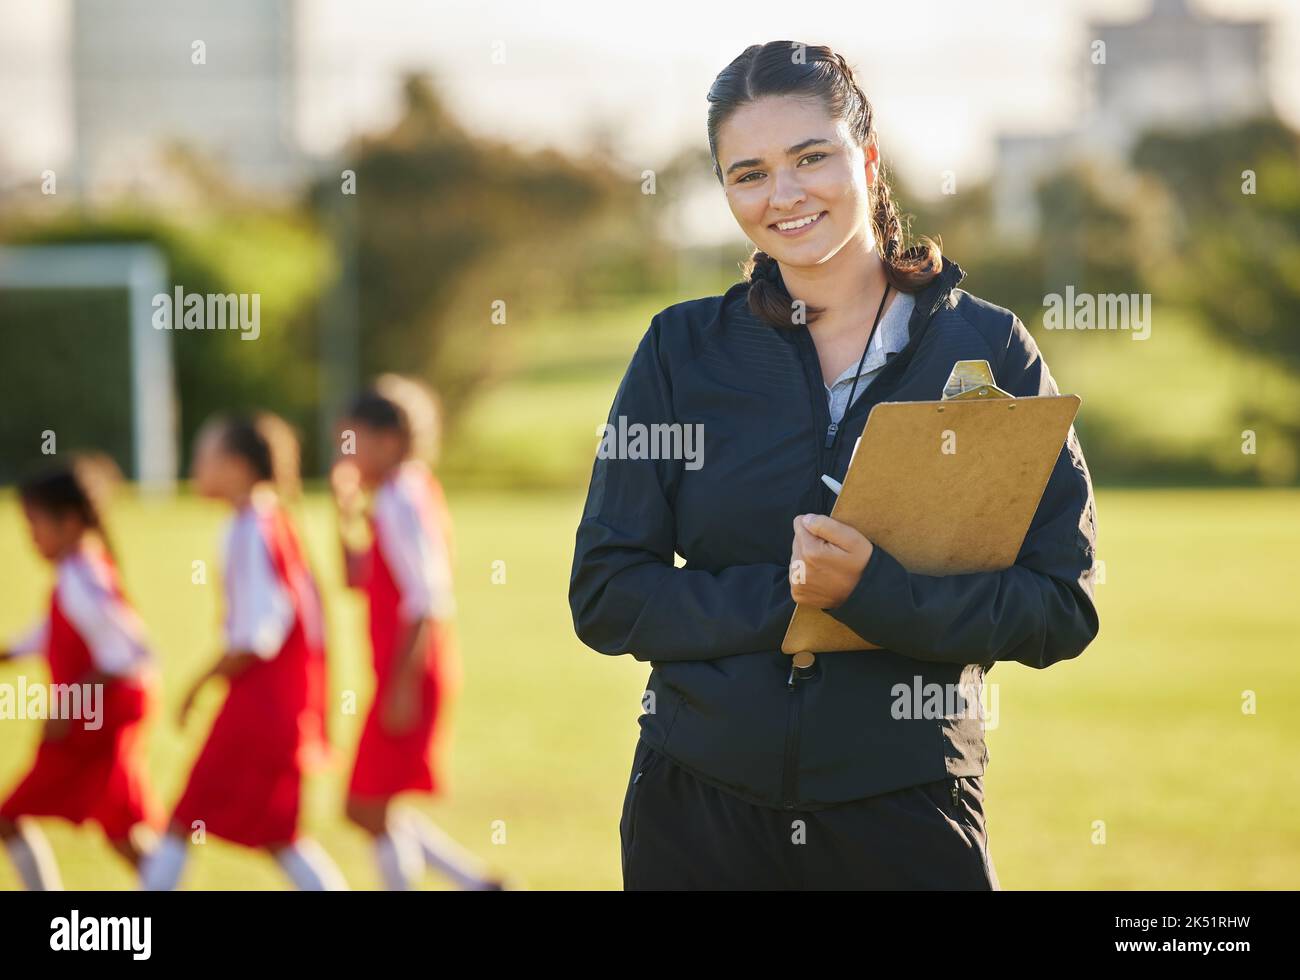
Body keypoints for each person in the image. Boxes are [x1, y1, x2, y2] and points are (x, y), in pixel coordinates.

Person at [569, 41, 1101, 890]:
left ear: (868, 155)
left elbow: (1061, 606)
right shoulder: (680, 350)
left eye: (810, 158)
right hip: (696, 816)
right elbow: (606, 595)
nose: (783, 195)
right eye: (748, 173)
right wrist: (790, 590)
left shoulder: (987, 347)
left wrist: (877, 595)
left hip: (910, 812)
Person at [139, 413, 346, 890]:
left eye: (204, 456)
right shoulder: (270, 520)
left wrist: (198, 683)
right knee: (277, 835)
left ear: (236, 467)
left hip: (260, 706)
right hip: (280, 707)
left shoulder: (252, 528)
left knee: (185, 816)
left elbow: (258, 635)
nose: (196, 467)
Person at [332, 374, 503, 890]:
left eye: (353, 442)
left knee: (364, 805)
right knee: (372, 806)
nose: (347, 455)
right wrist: (343, 516)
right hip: (401, 671)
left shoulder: (402, 499)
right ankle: (478, 884)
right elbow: (355, 578)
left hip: (412, 672)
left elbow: (429, 596)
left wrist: (402, 685)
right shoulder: (392, 496)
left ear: (388, 442)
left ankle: (469, 882)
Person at [0, 457, 161, 889]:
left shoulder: (81, 576)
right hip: (101, 716)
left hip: (100, 721)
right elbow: (56, 631)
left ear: (69, 523)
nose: (30, 538)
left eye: (35, 525)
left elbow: (128, 652)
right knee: (119, 831)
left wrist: (67, 708)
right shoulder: (79, 570)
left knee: (10, 816)